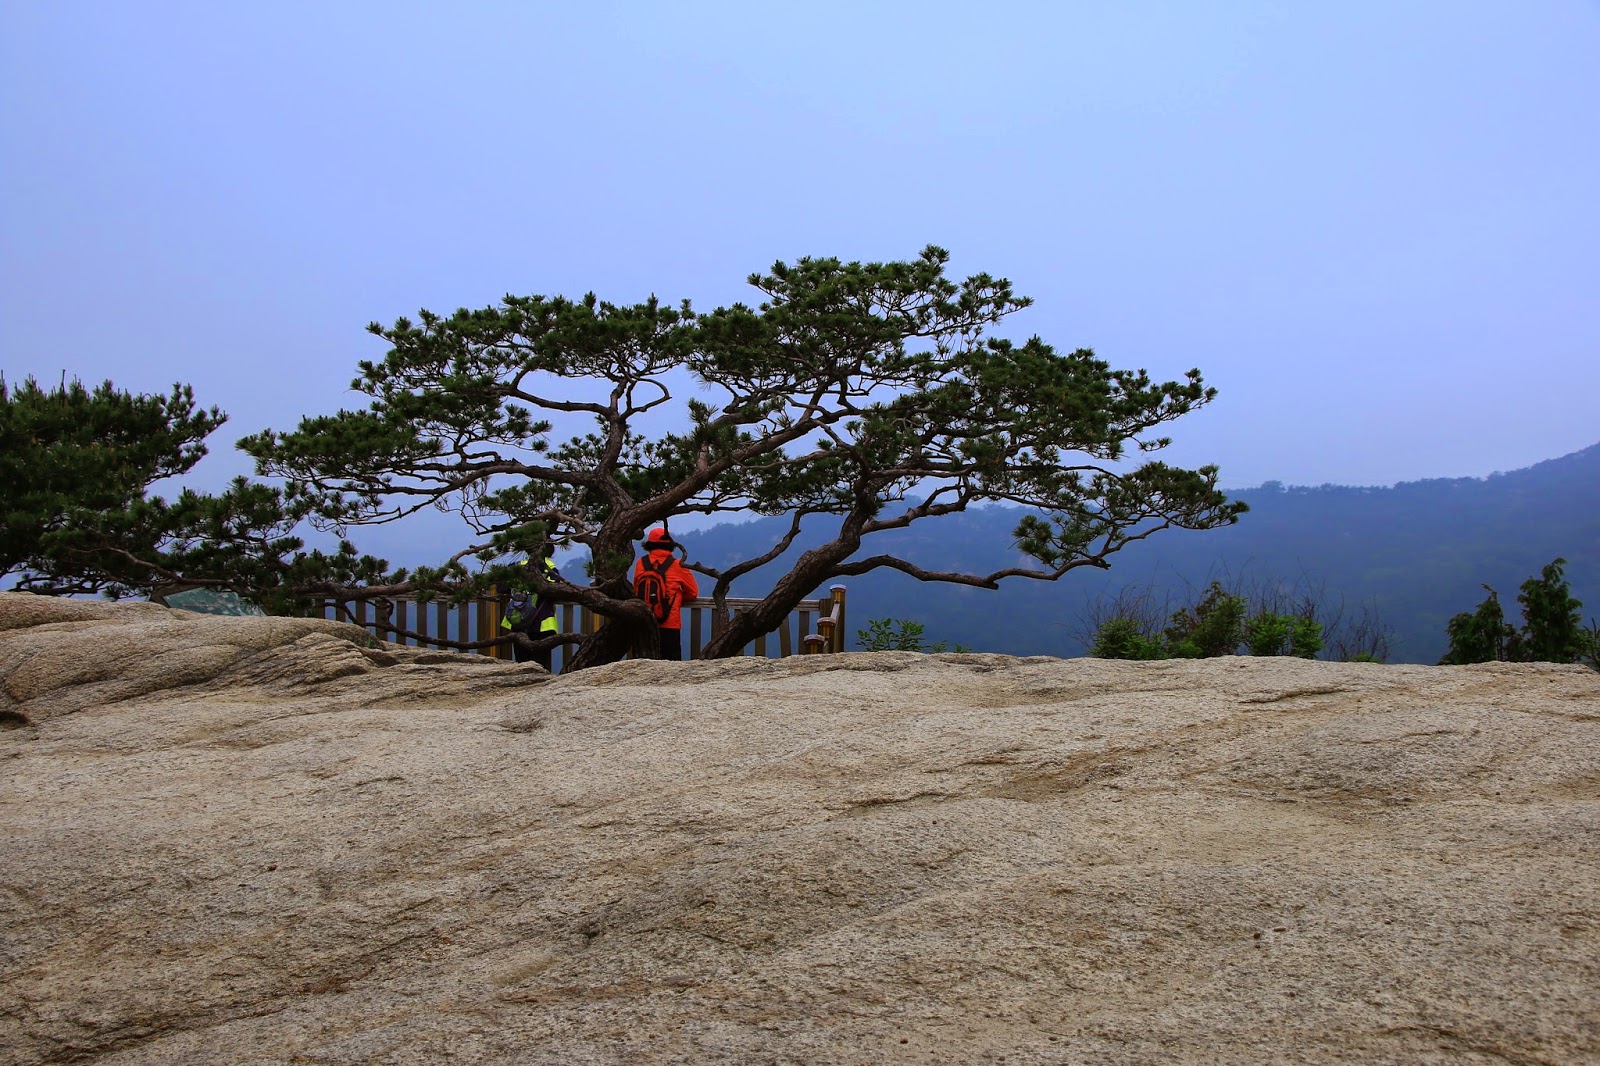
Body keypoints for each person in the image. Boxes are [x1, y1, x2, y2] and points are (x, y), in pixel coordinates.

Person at [632, 527, 699, 660]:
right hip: (670, 623)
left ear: (649, 544)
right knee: (671, 665)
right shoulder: (678, 565)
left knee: (644, 664)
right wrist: (676, 595)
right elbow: (693, 592)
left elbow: (636, 588)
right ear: (670, 544)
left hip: (644, 622)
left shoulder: (641, 563)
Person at [501, 543, 561, 671]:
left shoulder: (516, 566)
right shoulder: (550, 569)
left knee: (522, 666)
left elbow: (501, 587)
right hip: (543, 624)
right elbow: (555, 592)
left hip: (518, 622)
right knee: (541, 667)